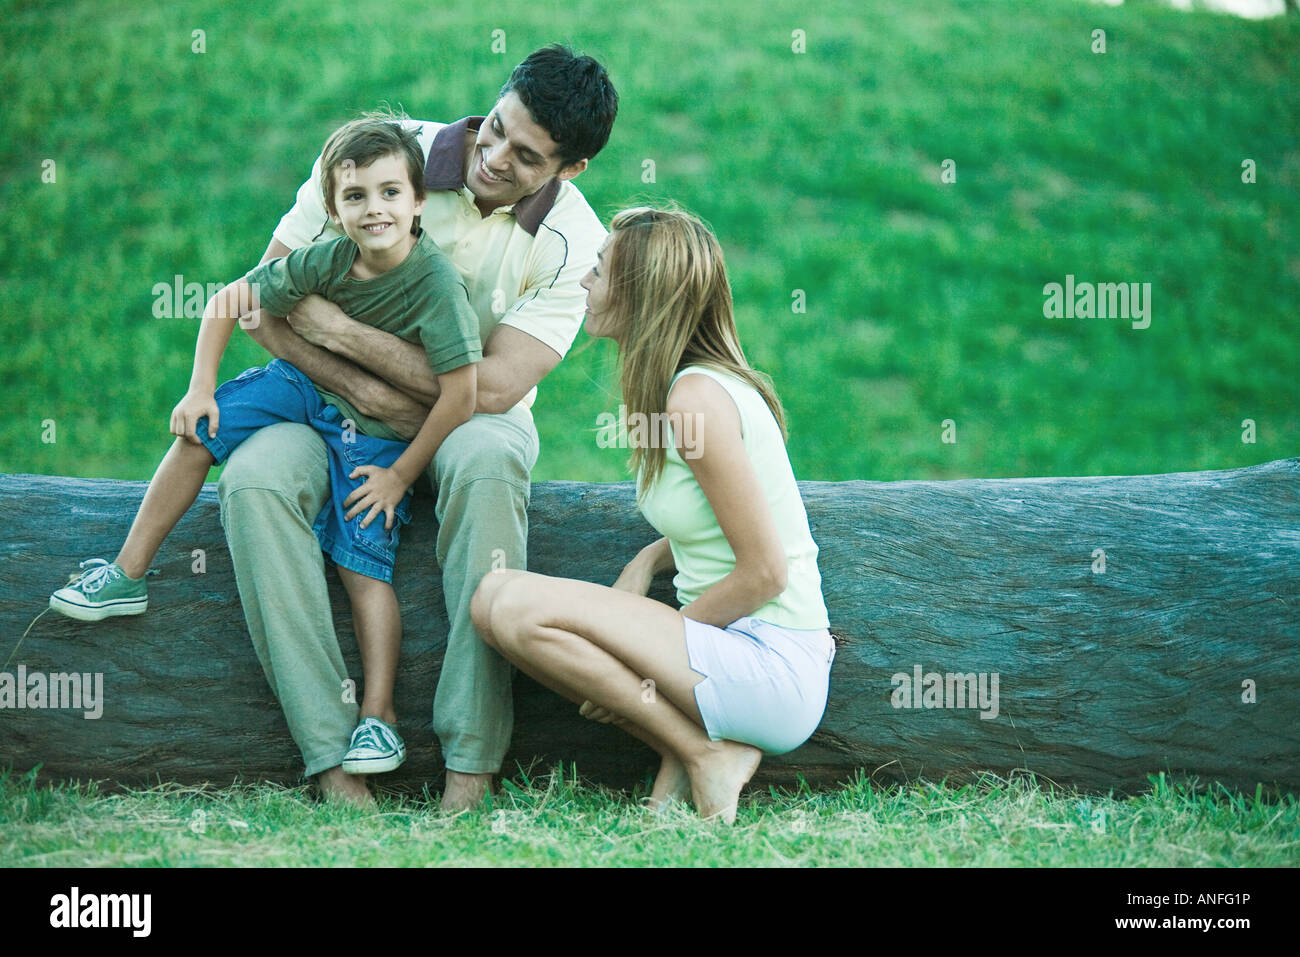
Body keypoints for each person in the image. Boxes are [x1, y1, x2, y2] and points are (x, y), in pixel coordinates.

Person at [219, 45, 617, 807]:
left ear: (570, 169)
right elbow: (261, 302)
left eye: (526, 156)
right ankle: (331, 760)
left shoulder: (576, 241)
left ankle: (470, 766)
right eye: (495, 128)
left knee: (488, 465)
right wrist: (355, 382)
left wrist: (342, 332)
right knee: (255, 478)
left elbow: (494, 386)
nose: (493, 157)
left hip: (475, 422)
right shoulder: (377, 158)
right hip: (326, 399)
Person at [48, 115, 482, 777]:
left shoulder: (436, 285)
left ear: (419, 201)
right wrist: (199, 389)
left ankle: (379, 717)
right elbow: (229, 300)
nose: (375, 209)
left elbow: (461, 396)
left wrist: (401, 476)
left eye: (390, 192)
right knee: (203, 430)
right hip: (306, 387)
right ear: (332, 210)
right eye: (356, 196)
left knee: (363, 564)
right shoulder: (327, 258)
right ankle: (126, 574)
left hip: (378, 436)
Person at [470, 207, 835, 824]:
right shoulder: (684, 389)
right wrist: (646, 562)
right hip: (729, 660)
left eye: (599, 270)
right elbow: (720, 520)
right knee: (494, 604)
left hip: (769, 665)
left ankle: (704, 755)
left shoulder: (697, 398)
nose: (585, 281)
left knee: (504, 602)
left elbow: (766, 572)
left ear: (642, 294)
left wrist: (641, 653)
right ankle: (697, 753)